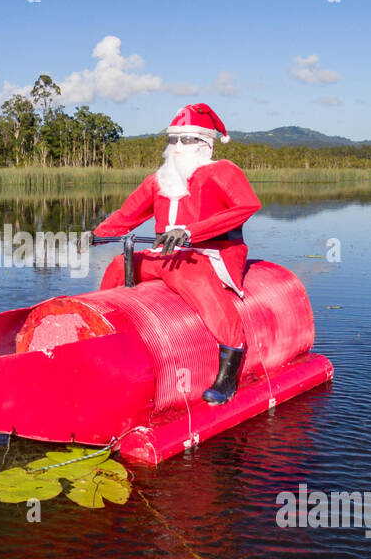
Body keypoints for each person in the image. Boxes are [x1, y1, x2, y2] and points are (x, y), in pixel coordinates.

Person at [92, 103, 260, 404]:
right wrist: (96, 234)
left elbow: (247, 206)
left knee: (186, 272)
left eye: (187, 139)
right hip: (165, 256)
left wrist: (191, 233)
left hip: (211, 254)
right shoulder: (161, 179)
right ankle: (101, 337)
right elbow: (128, 215)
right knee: (120, 265)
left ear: (205, 144)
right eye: (173, 140)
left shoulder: (221, 171)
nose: (178, 147)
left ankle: (231, 359)